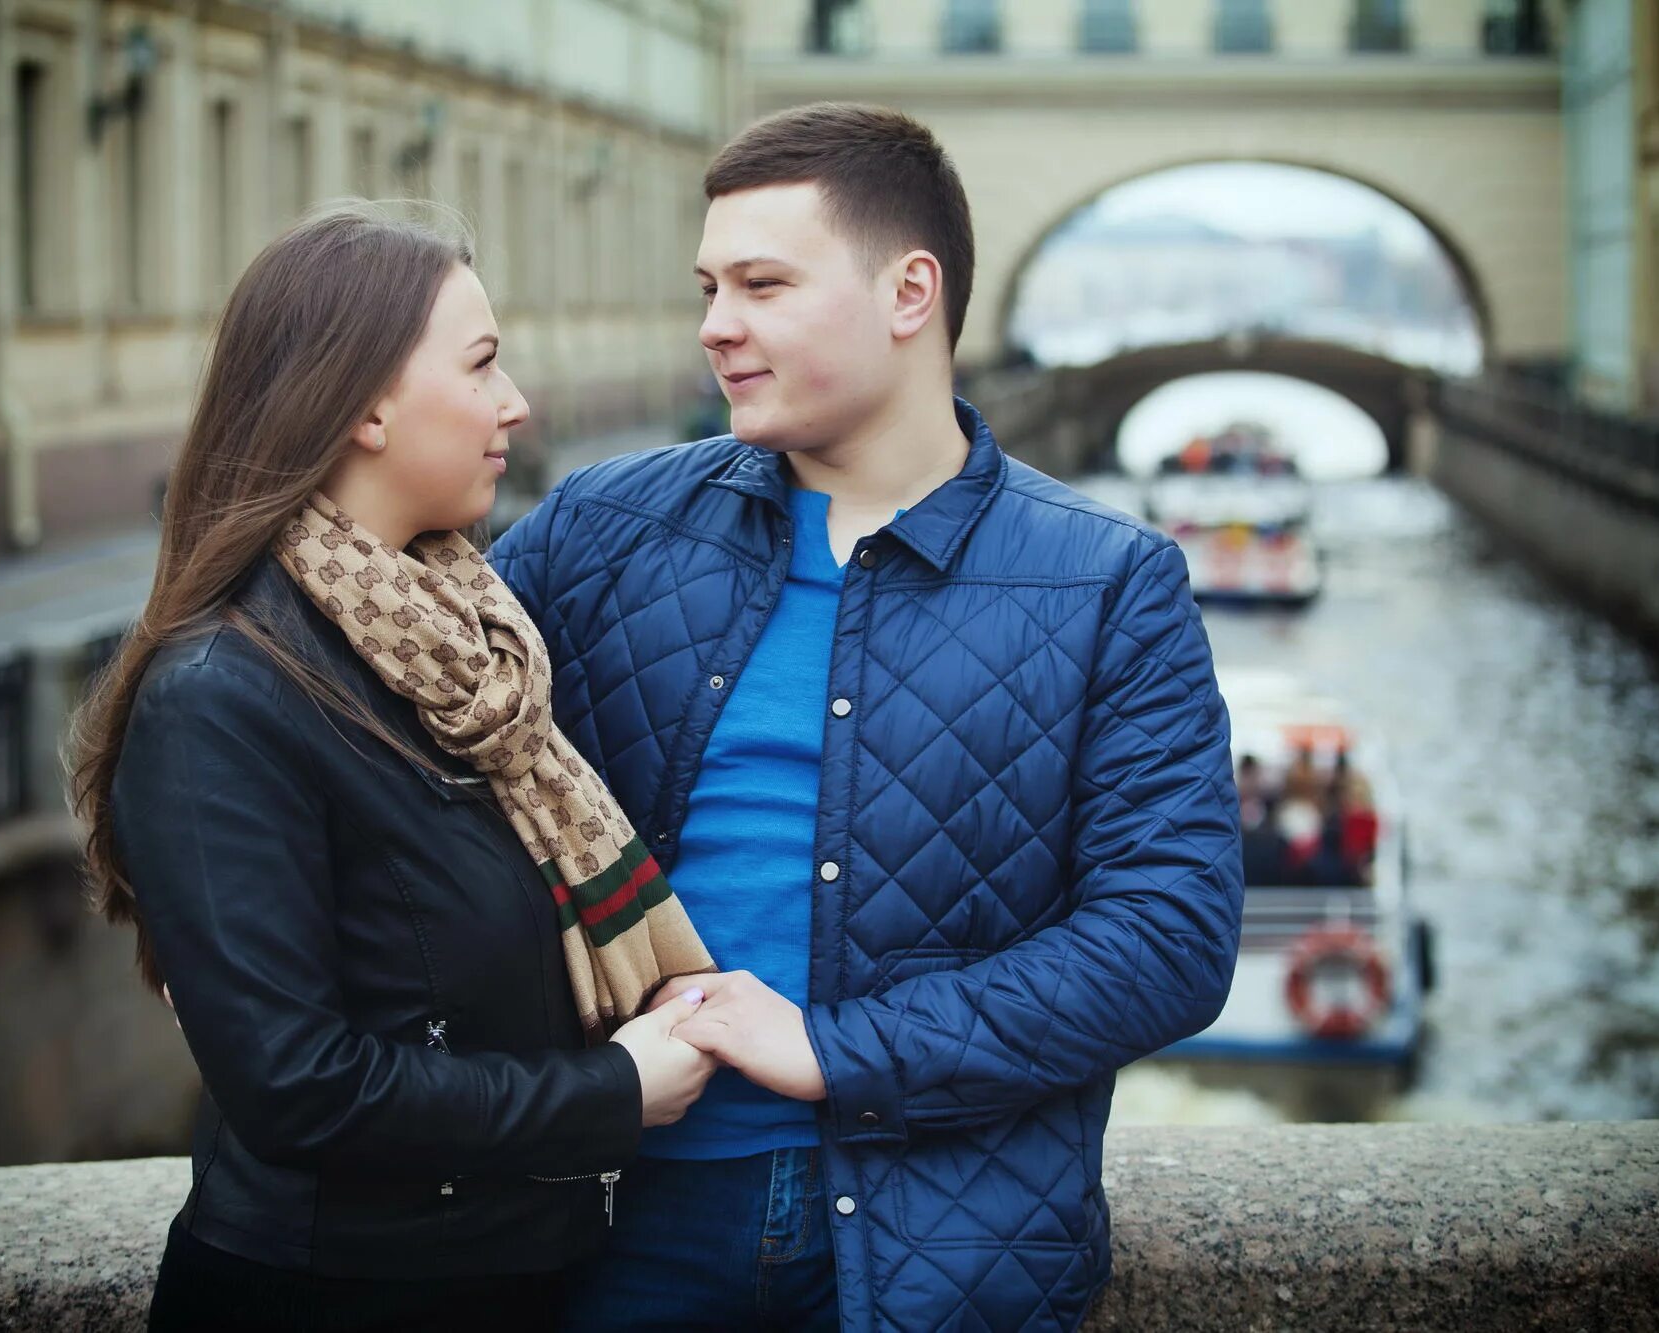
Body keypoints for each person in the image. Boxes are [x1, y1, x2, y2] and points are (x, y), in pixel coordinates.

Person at [491, 104, 1244, 1332]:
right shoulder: (601, 529)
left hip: (940, 1247)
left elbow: (1165, 935)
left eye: (763, 284)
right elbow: (387, 726)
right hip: (602, 1218)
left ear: (909, 293)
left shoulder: (1107, 581)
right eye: (707, 286)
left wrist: (843, 1051)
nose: (714, 325)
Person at [65, 201, 720, 1333]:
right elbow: (294, 1086)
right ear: (362, 402)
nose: (514, 402)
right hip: (336, 1296)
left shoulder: (469, 650)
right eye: (480, 364)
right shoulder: (221, 692)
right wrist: (610, 1093)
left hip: (518, 1274)